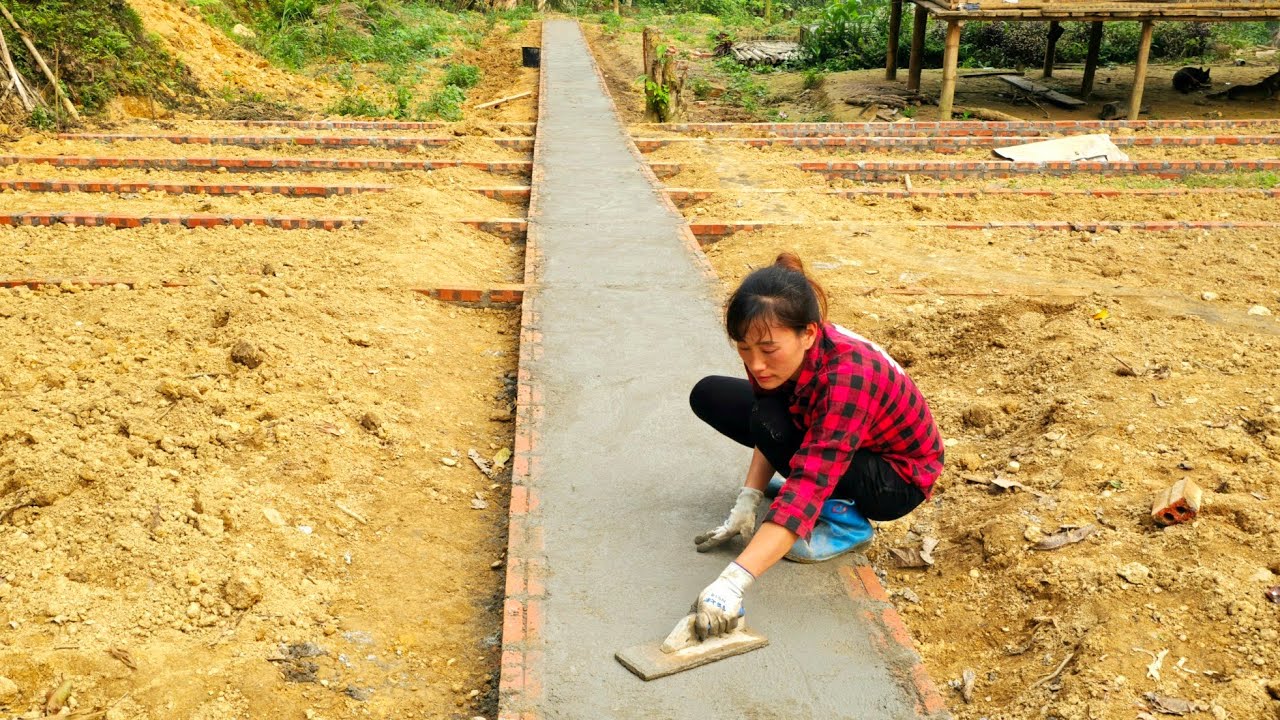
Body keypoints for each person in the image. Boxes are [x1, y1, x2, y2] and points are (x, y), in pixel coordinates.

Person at [686, 252, 943, 640]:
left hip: (896, 478)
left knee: (795, 466)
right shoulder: (772, 351)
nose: (755, 363)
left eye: (767, 350)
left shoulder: (848, 377)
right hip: (841, 438)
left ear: (808, 332)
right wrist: (748, 499)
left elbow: (809, 482)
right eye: (743, 348)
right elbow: (768, 416)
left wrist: (732, 582)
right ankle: (804, 501)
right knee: (716, 396)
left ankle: (846, 522)